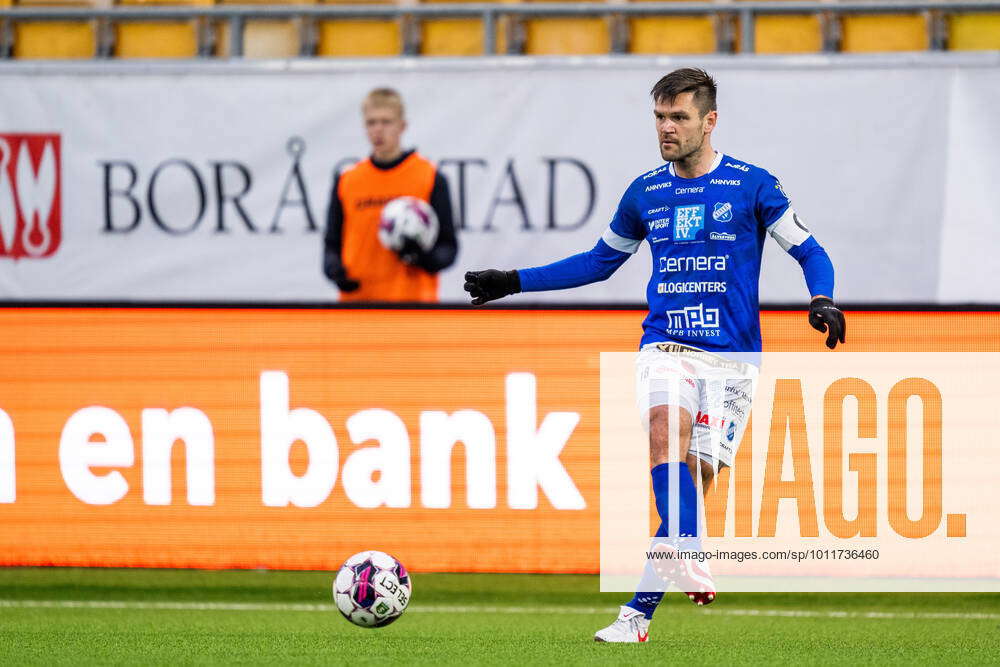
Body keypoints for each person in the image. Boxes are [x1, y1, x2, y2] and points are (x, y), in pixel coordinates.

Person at [463, 68, 846, 643]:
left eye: (679, 118)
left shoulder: (753, 185)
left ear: (709, 121)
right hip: (666, 346)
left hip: (734, 363)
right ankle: (687, 554)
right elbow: (597, 262)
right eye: (660, 118)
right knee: (665, 428)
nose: (667, 129)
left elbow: (810, 250)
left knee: (689, 492)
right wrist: (511, 279)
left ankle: (636, 615)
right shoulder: (646, 192)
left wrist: (823, 299)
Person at [324, 88, 458, 302]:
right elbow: (332, 244)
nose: (378, 130)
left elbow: (448, 248)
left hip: (413, 304)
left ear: (402, 126)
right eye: (371, 122)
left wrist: (422, 257)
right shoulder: (348, 180)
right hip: (357, 305)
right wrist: (334, 270)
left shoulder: (429, 177)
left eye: (386, 122)